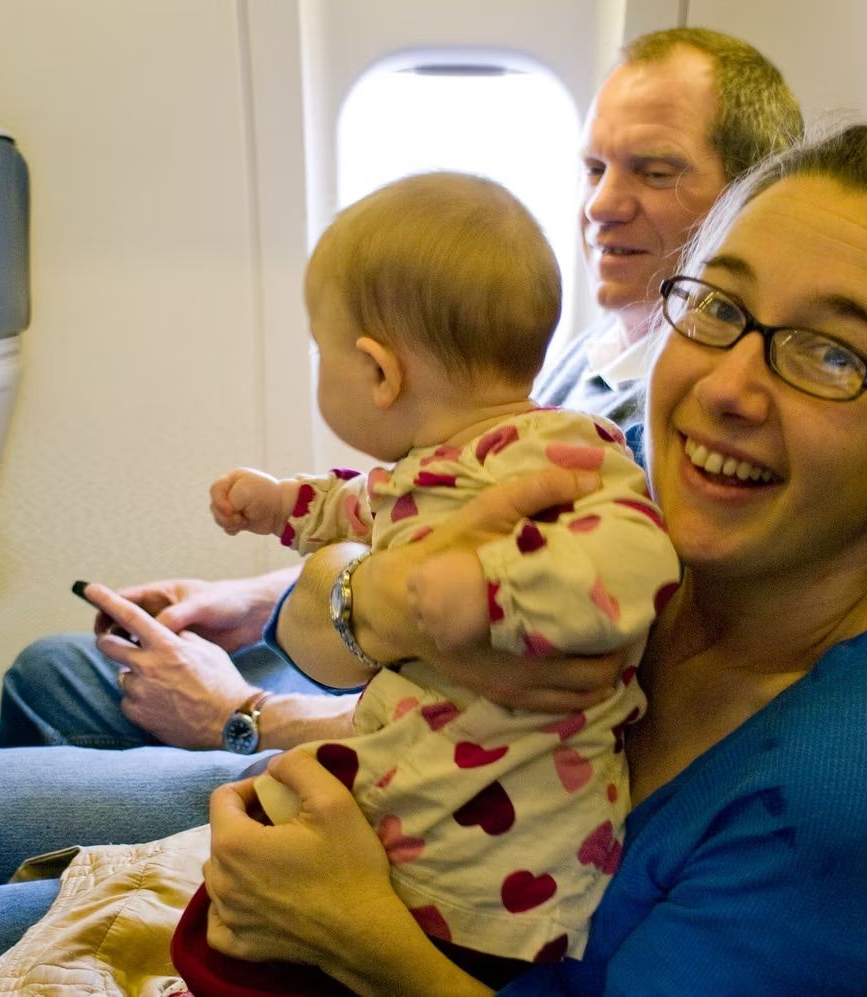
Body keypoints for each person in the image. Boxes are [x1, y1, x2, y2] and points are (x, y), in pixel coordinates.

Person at [0, 124, 867, 994]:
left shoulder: (856, 788)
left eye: (830, 354)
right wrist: (354, 603)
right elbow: (350, 614)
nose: (731, 387)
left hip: (394, 935)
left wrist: (351, 922)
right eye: (722, 306)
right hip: (385, 841)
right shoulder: (640, 505)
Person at [0, 27, 801, 903]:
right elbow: (427, 505)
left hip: (437, 769)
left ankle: (103, 914)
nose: (601, 202)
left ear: (750, 199)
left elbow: (514, 705)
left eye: (654, 170)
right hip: (392, 671)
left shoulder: (672, 437)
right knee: (53, 668)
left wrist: (240, 710)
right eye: (594, 168)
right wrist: (255, 601)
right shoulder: (588, 353)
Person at [191, 171, 678, 981]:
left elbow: (632, 563)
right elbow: (352, 506)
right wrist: (278, 502)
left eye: (323, 351)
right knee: (244, 879)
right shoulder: (425, 467)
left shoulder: (570, 451)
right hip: (414, 772)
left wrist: (484, 588)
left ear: (380, 374)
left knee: (249, 910)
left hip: (502, 841)